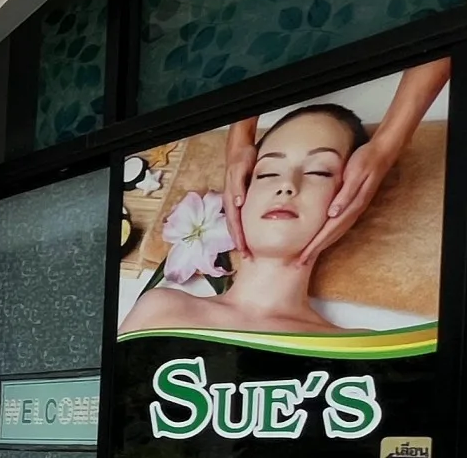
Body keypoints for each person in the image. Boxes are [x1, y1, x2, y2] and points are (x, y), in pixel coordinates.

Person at [120, 60, 450, 337]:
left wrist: (387, 145)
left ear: (354, 200)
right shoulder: (163, 309)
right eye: (266, 173)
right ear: (241, 192)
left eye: (320, 172)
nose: (287, 186)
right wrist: (239, 138)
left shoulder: (359, 345)